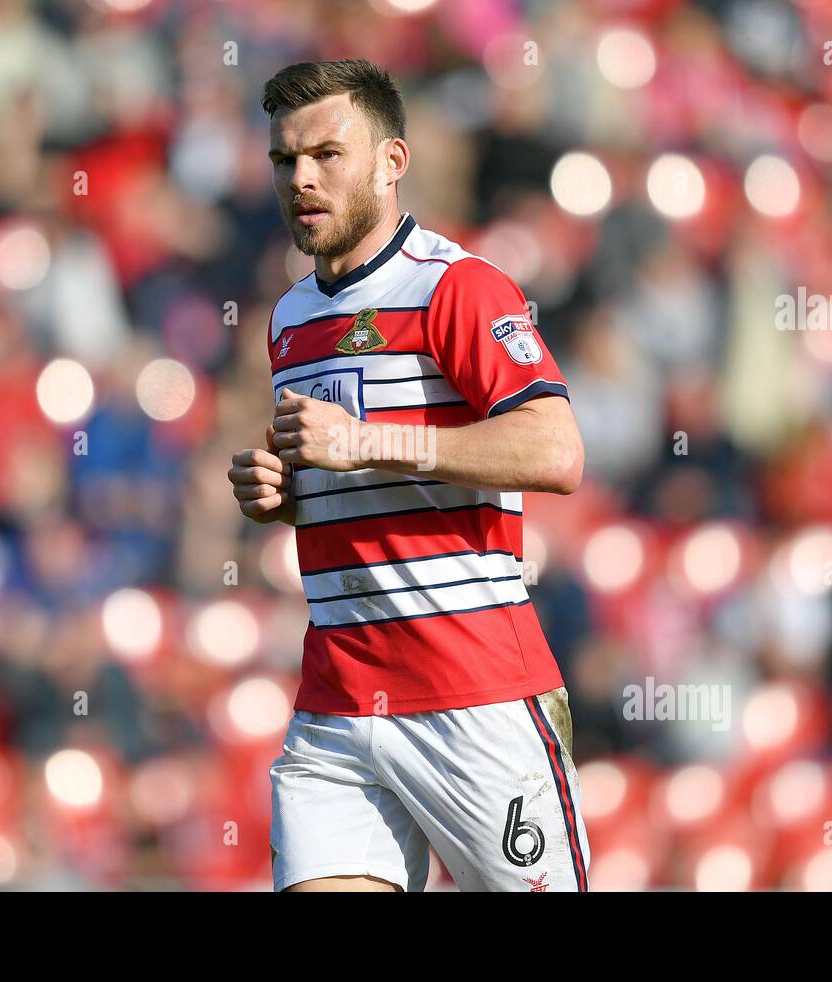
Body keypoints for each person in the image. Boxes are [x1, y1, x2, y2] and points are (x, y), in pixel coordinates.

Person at [227, 58, 589, 892]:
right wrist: (280, 498)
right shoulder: (290, 318)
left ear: (393, 161)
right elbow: (355, 484)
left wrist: (370, 442)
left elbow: (555, 451)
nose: (302, 179)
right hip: (338, 699)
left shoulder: (456, 287)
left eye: (327, 154)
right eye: (286, 160)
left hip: (473, 695)